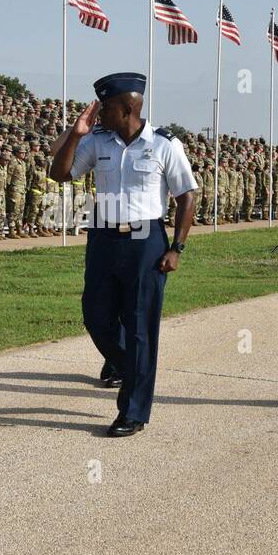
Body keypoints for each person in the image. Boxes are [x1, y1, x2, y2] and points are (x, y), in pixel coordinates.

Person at [49, 72, 197, 438]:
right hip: (103, 237)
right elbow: (60, 173)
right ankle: (133, 369)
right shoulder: (97, 141)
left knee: (140, 328)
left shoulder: (164, 144)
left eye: (107, 108)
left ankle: (132, 411)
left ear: (128, 108)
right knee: (95, 315)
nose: (99, 115)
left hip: (146, 242)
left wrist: (177, 247)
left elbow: (186, 197)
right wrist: (76, 134)